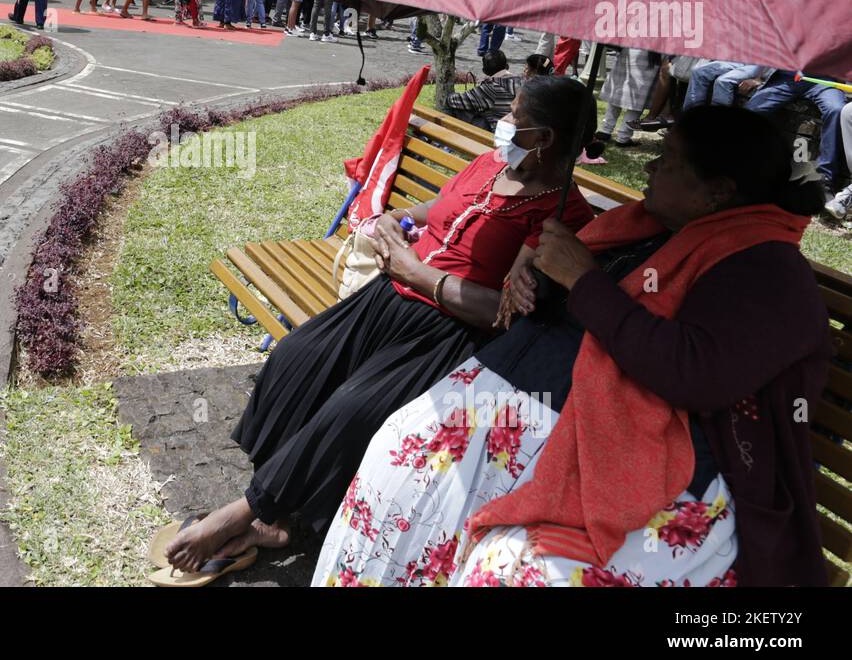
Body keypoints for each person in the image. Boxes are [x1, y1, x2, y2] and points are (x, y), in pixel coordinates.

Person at [314, 106, 831, 588]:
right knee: (397, 455)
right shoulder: (647, 229)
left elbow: (693, 374)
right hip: (522, 404)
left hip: (644, 466)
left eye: (667, 160)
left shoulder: (769, 274)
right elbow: (576, 308)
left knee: (513, 570)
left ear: (717, 192)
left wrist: (583, 280)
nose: (649, 168)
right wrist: (534, 270)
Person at [161, 78, 599, 575]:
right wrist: (398, 219)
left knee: (353, 408)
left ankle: (245, 514)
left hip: (447, 330)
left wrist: (418, 273)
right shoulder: (492, 162)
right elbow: (441, 208)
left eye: (515, 117)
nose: (503, 125)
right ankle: (284, 517)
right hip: (388, 296)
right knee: (296, 357)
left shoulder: (565, 217)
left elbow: (504, 313)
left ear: (543, 139)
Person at [746, 69, 847, 197]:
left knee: (836, 110)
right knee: (752, 110)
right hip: (787, 77)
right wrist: (757, 77)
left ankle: (824, 177)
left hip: (823, 80)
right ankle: (753, 165)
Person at [444, 49, 528, 130]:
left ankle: (443, 139)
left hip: (497, 134)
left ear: (484, 71)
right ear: (507, 66)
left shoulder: (491, 87)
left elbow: (453, 100)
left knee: (453, 104)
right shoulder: (523, 81)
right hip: (521, 133)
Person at [596, 47, 660, 147]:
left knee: (617, 93)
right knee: (637, 100)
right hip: (650, 55)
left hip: (630, 50)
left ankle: (606, 130)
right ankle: (622, 137)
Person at [683, 59, 765, 110]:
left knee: (723, 81)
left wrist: (758, 78)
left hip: (757, 63)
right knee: (698, 72)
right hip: (737, 59)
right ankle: (690, 118)